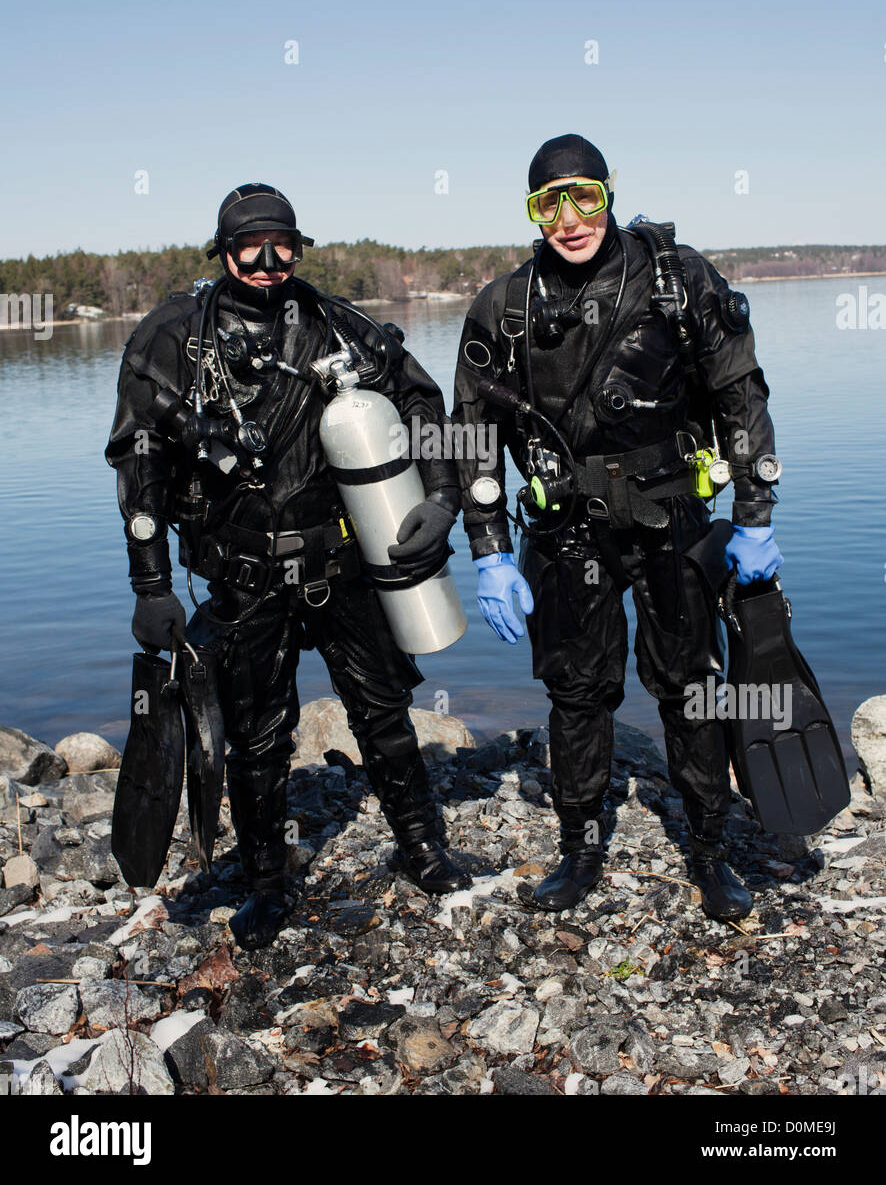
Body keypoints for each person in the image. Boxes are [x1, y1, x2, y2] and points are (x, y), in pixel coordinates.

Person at [107, 182, 463, 950]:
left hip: (341, 560)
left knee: (383, 712)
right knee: (257, 738)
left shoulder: (338, 324)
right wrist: (150, 584)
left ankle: (424, 848)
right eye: (250, 247)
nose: (268, 261)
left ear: (299, 248)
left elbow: (422, 399)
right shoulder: (175, 338)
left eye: (283, 245)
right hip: (242, 574)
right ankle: (267, 884)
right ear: (223, 251)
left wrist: (441, 495)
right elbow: (138, 457)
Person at [452, 135, 783, 921]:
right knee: (577, 691)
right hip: (566, 527)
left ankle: (710, 847)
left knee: (690, 684)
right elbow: (470, 436)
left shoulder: (679, 280)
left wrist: (755, 516)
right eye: (548, 204)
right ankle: (580, 848)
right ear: (533, 214)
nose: (569, 219)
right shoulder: (505, 306)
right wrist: (490, 549)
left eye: (585, 197)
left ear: (609, 192)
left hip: (672, 516)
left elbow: (739, 394)